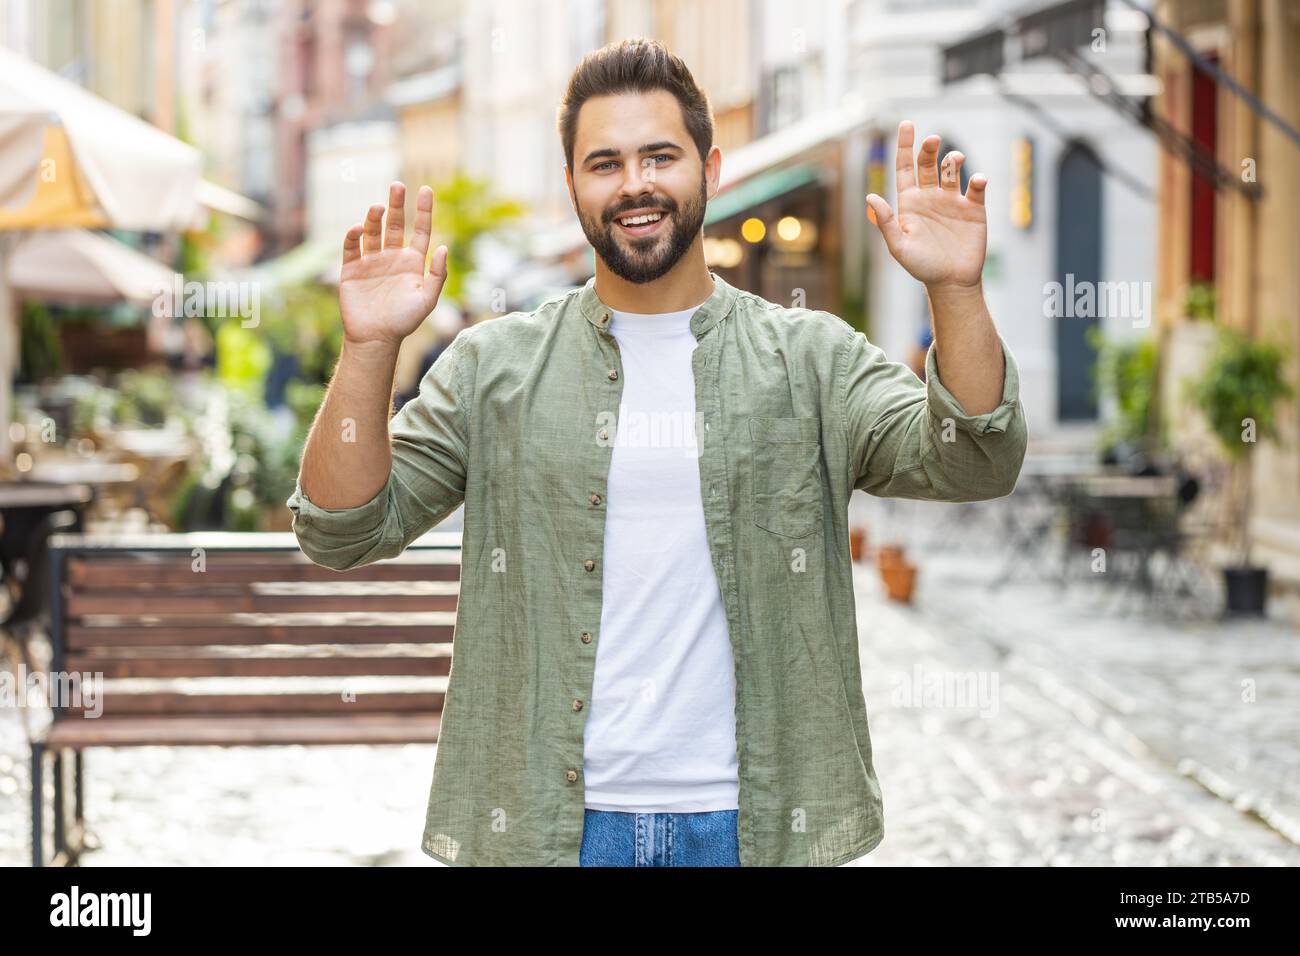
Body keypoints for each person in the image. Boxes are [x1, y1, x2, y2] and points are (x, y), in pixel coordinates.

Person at [287, 38, 1027, 867]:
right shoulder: (494, 368)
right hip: (551, 829)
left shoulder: (812, 359)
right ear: (571, 185)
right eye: (604, 163)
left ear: (710, 166)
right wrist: (368, 349)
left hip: (753, 826)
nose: (634, 183)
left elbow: (974, 462)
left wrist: (955, 291)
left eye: (659, 156)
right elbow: (341, 530)